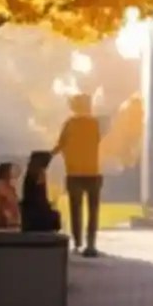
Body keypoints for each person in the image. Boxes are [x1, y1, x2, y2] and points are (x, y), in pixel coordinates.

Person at [53, 94, 104, 257]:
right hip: (93, 172)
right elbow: (97, 141)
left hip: (74, 172)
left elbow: (60, 145)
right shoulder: (95, 124)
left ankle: (77, 243)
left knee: (76, 209)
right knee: (93, 210)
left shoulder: (69, 124)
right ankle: (91, 244)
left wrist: (48, 156)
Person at [20, 151, 63, 233]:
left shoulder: (29, 174)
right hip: (36, 212)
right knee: (55, 215)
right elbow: (40, 195)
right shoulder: (40, 174)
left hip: (29, 212)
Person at [0, 162, 22, 231]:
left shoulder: (10, 188)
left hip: (13, 223)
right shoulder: (0, 187)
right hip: (5, 224)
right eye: (10, 171)